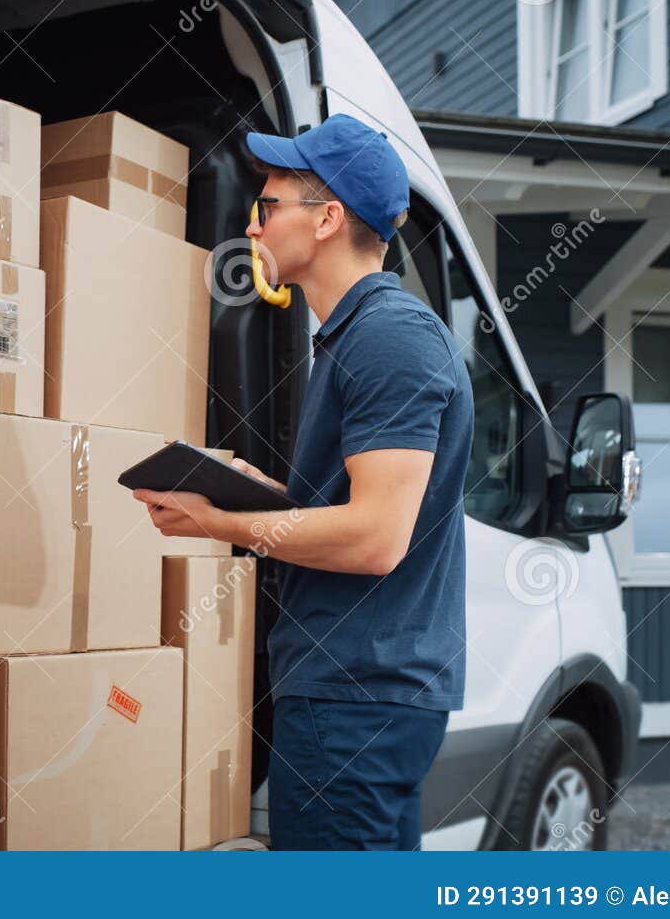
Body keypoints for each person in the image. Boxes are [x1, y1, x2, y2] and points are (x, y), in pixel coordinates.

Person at [133, 114, 473, 850]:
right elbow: (359, 514)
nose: (251, 226)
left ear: (326, 219)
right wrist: (268, 496)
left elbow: (376, 540)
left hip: (353, 696)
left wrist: (217, 523)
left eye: (267, 205)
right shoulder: (361, 335)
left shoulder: (388, 338)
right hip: (362, 693)